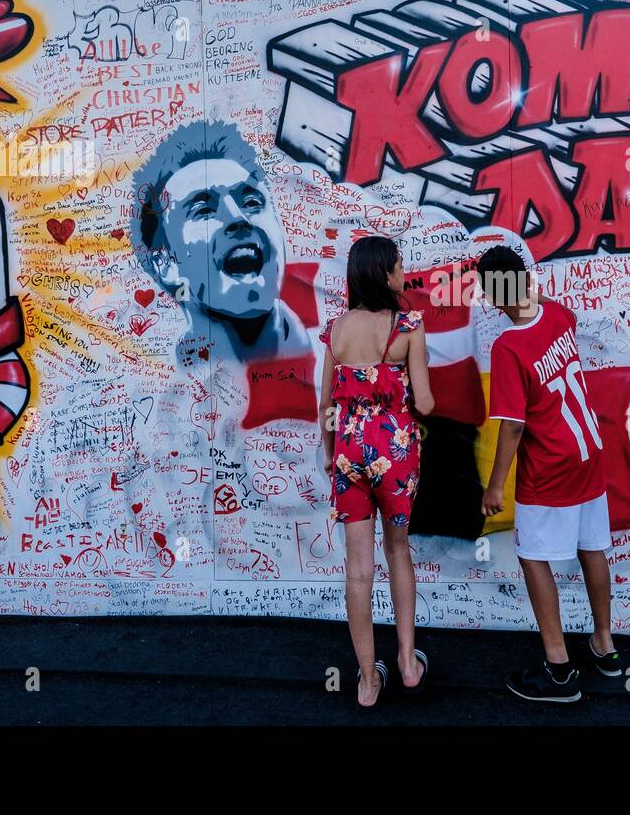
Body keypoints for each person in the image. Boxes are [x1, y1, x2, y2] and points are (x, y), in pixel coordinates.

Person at [477, 245, 621, 703]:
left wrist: (496, 485)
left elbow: (514, 426)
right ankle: (605, 645)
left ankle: (558, 667)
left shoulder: (508, 346)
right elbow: (564, 334)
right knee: (591, 547)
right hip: (588, 453)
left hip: (552, 466)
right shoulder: (556, 313)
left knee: (532, 556)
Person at [134, 121, 315, 424]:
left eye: (252, 201)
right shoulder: (165, 408)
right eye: (203, 209)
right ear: (165, 262)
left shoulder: (331, 367)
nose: (238, 218)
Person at [319, 235, 434, 708]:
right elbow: (424, 402)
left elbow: (325, 405)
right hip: (396, 451)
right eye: (399, 264)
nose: (404, 270)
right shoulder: (408, 325)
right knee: (398, 551)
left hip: (349, 448)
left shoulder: (336, 330)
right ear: (384, 273)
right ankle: (407, 662)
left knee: (358, 567)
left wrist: (331, 453)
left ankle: (368, 681)